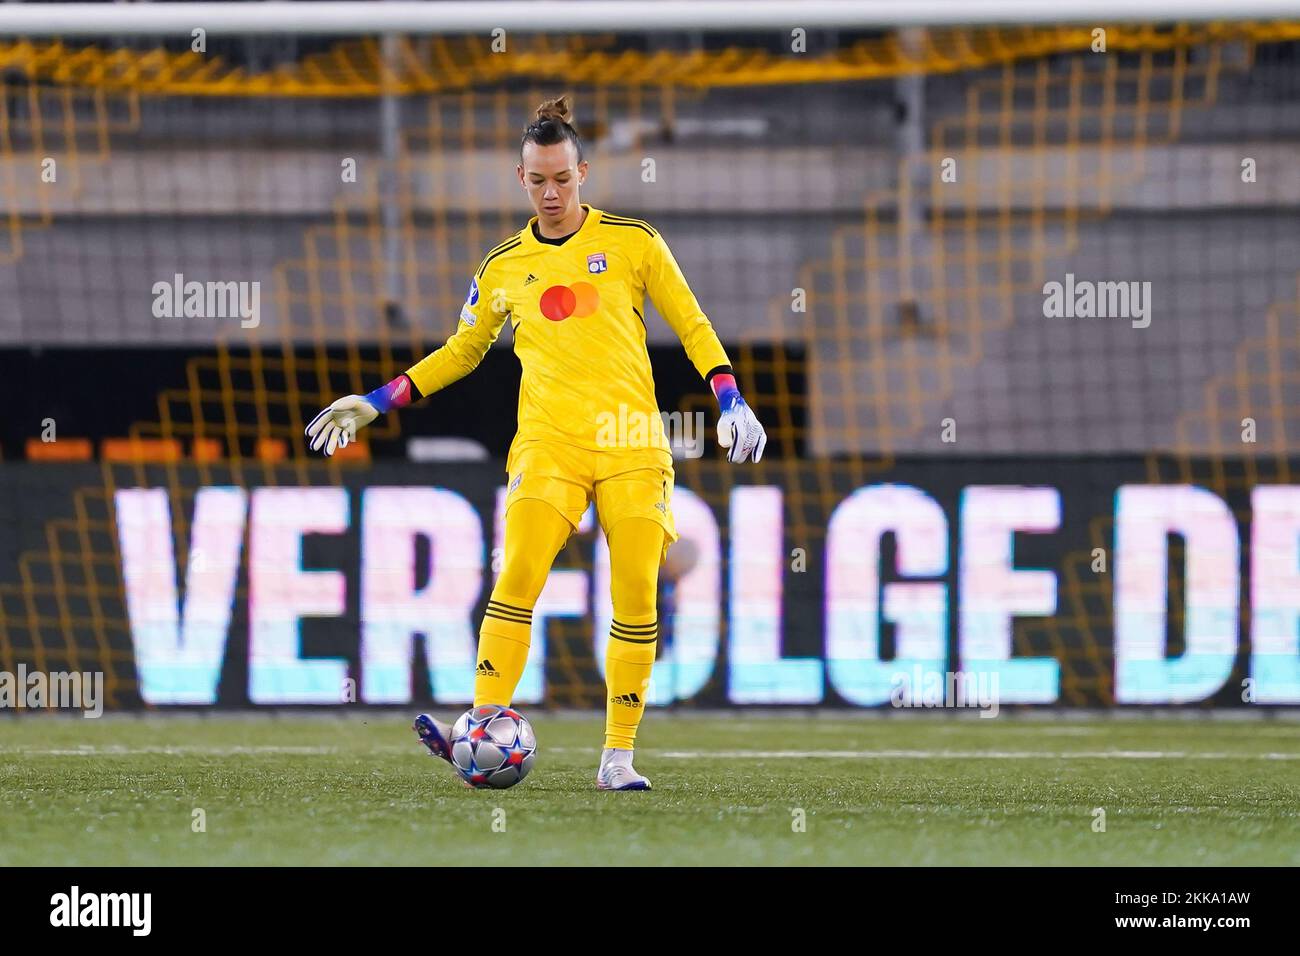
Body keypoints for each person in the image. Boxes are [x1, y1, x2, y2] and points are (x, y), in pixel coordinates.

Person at [306, 94, 766, 790]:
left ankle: (617, 758)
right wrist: (377, 401)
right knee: (517, 574)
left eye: (563, 178)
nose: (551, 193)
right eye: (538, 180)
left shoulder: (634, 242)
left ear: (583, 172)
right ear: (521, 180)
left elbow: (694, 325)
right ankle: (480, 733)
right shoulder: (501, 267)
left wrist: (730, 399)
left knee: (637, 589)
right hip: (547, 445)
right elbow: (463, 352)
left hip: (632, 441)